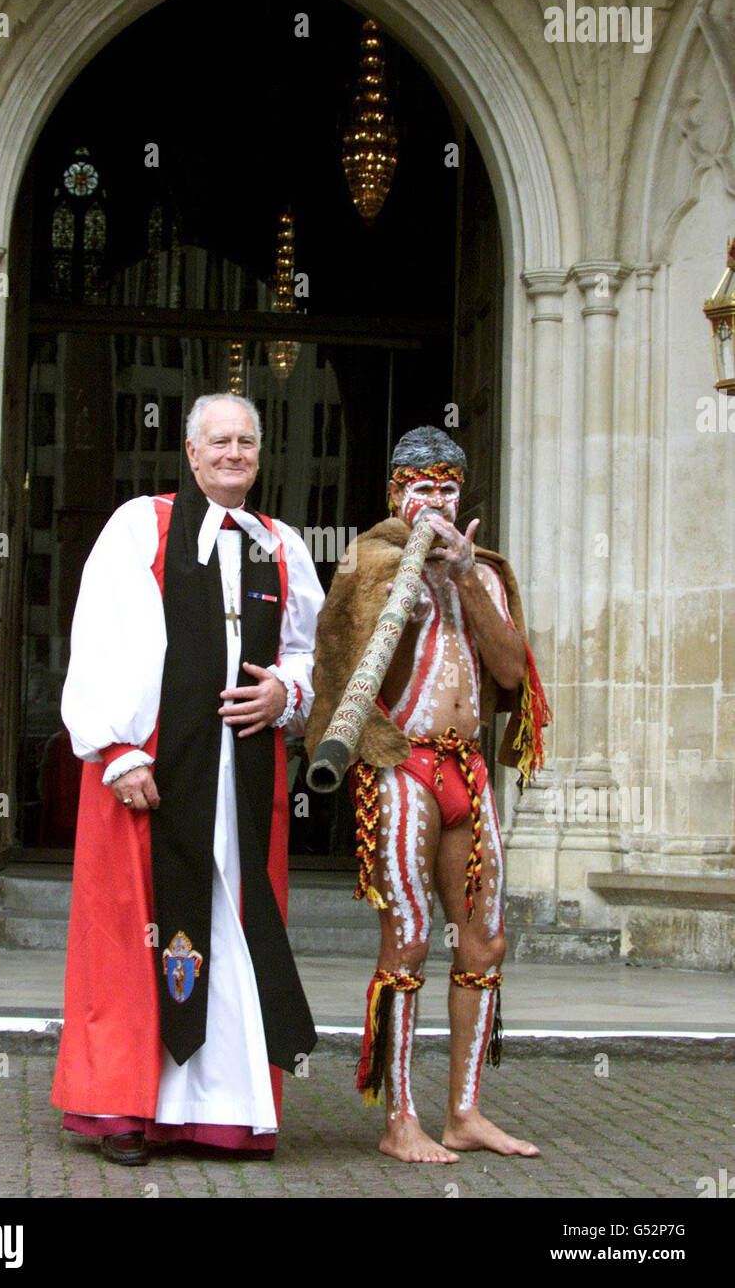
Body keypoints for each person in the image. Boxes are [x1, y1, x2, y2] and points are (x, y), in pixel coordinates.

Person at [52, 393, 324, 1164]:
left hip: (241, 776)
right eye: (219, 441)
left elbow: (308, 651)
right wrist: (116, 751)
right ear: (191, 451)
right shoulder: (141, 525)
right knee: (135, 936)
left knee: (234, 930)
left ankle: (223, 1113)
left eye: (247, 441)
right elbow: (101, 637)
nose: (234, 452)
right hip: (150, 770)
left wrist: (286, 693)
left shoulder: (283, 546)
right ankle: (125, 1109)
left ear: (259, 455)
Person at [305, 427, 550, 1164]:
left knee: (482, 941)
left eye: (447, 488)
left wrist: (468, 578)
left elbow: (510, 673)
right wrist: (402, 603)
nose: (435, 501)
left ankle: (465, 1113)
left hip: (466, 769)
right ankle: (398, 1121)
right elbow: (341, 662)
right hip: (397, 762)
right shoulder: (368, 560)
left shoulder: (487, 572)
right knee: (407, 940)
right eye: (422, 487)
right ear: (395, 494)